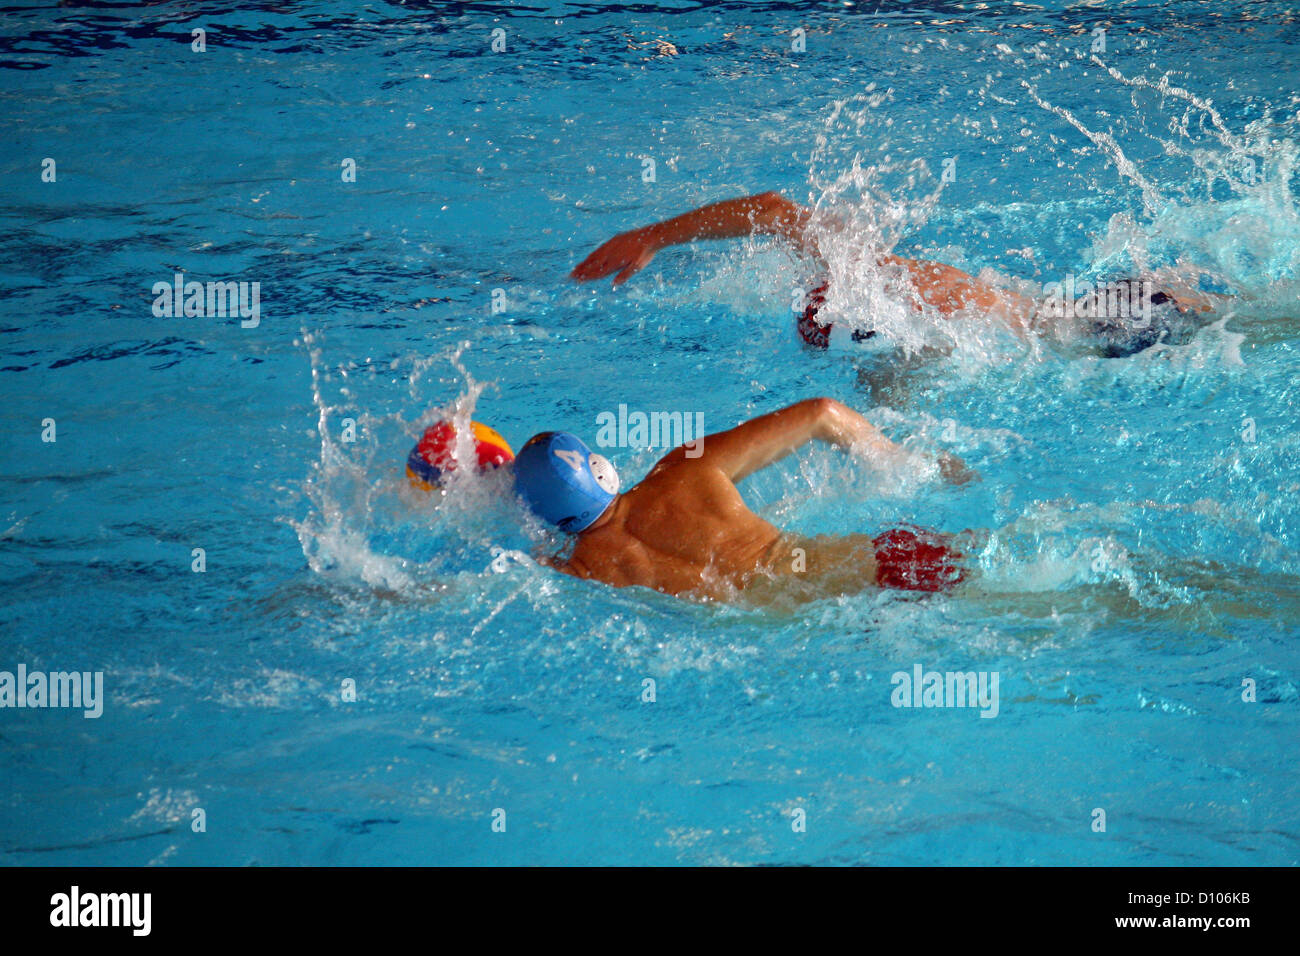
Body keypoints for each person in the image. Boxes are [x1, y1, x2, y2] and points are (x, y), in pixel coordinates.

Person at [569, 190, 1226, 356]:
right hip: (1099, 315)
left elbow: (772, 212)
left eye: (819, 298)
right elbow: (771, 213)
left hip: (1113, 328)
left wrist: (652, 235)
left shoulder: (894, 302)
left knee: (1253, 323)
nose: (815, 290)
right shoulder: (880, 306)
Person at [513, 396, 974, 602]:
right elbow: (821, 413)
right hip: (883, 566)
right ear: (602, 471)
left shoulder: (583, 572)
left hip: (824, 632)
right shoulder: (681, 470)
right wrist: (898, 459)